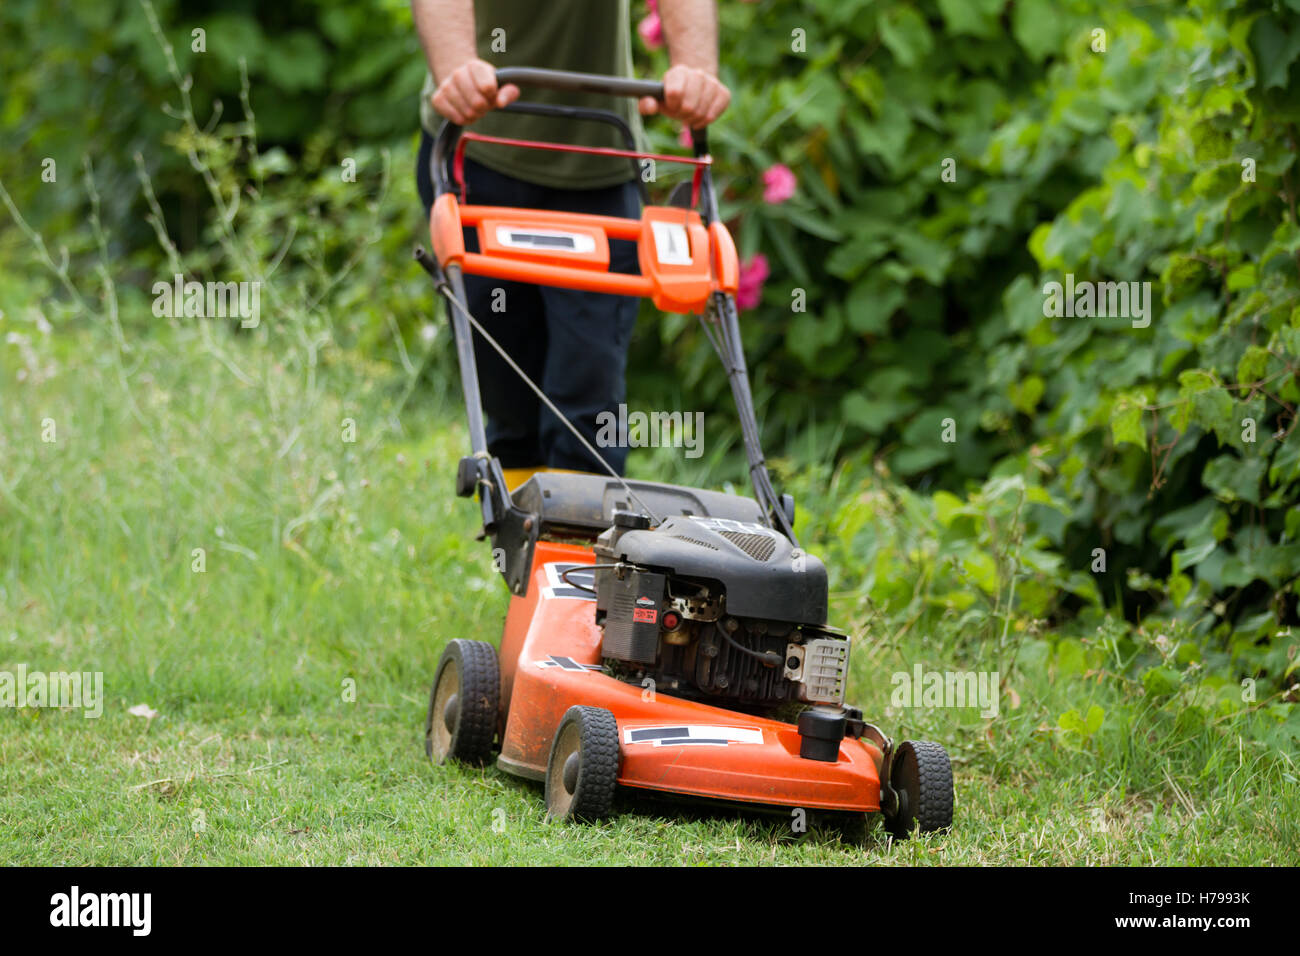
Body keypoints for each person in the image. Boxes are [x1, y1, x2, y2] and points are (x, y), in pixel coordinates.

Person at [412, 0, 729, 475]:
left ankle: (585, 544)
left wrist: (695, 70)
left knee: (589, 406)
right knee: (505, 390)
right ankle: (516, 540)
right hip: (477, 153)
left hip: (598, 169)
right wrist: (456, 68)